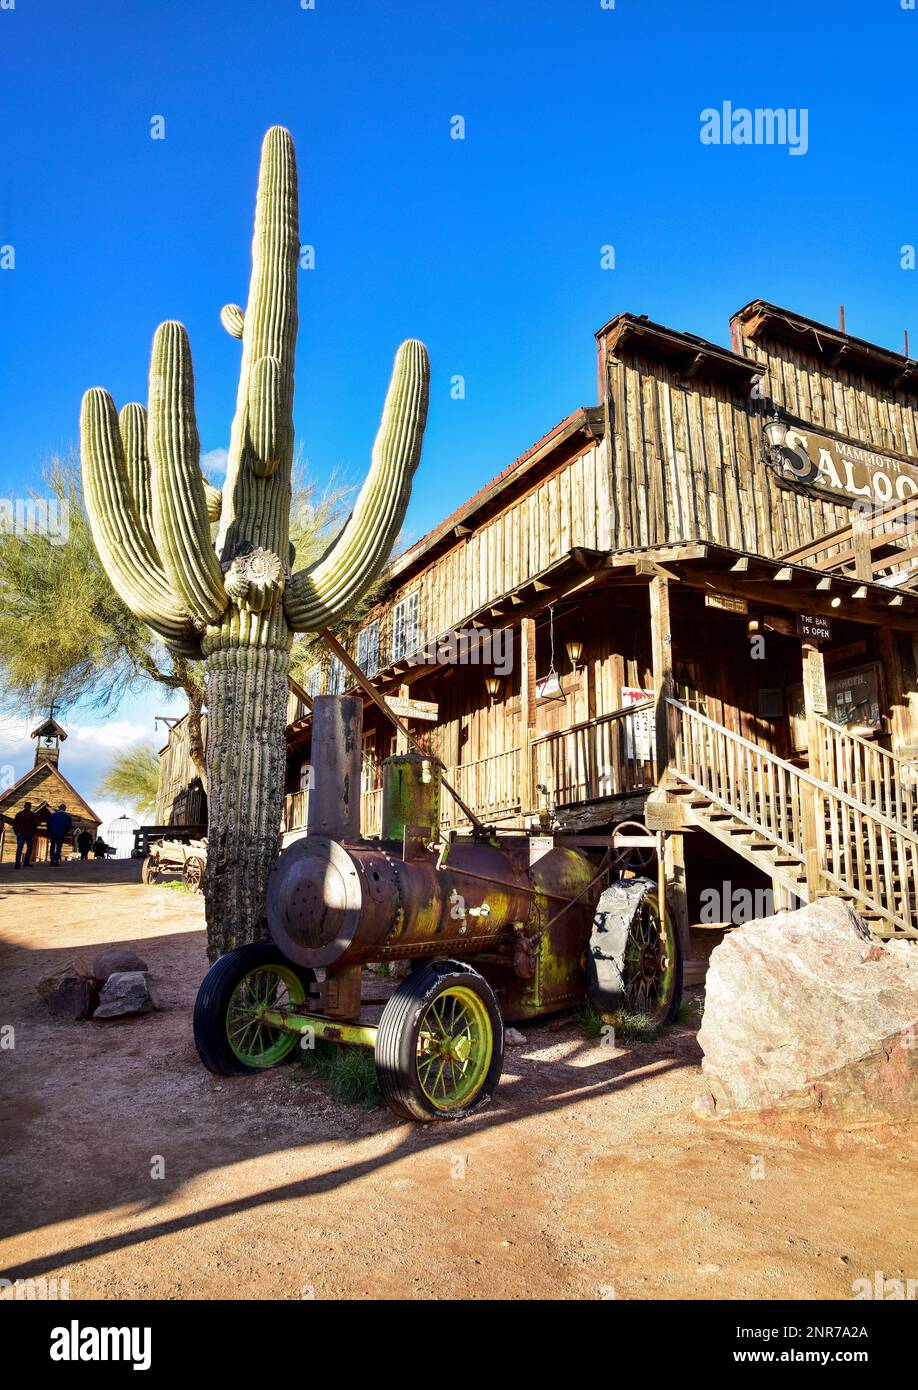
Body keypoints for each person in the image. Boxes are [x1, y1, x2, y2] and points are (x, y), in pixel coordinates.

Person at [12, 802, 40, 869]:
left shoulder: (19, 814)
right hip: (29, 833)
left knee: (19, 848)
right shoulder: (32, 814)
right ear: (30, 807)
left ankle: (17, 864)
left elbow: (14, 824)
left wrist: (17, 832)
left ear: (24, 806)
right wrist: (33, 832)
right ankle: (26, 862)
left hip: (20, 833)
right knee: (29, 847)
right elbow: (36, 824)